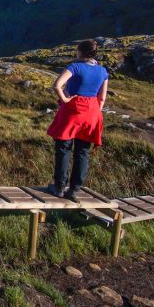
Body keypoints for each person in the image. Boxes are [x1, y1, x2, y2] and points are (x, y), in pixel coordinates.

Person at [45, 39, 109, 200]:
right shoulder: (103, 71)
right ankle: (74, 190)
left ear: (80, 52)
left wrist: (65, 100)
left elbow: (57, 85)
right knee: (83, 151)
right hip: (92, 112)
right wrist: (94, 112)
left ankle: (59, 186)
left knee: (63, 148)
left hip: (73, 110)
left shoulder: (75, 67)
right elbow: (102, 98)